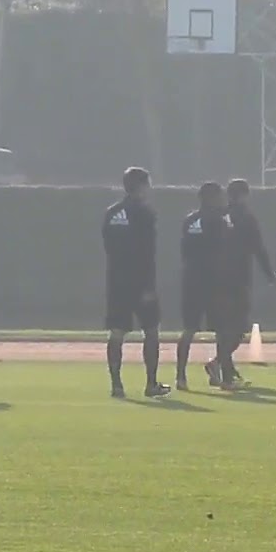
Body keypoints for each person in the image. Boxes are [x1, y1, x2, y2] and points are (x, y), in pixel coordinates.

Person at [101, 167, 168, 399]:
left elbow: (107, 246)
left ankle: (116, 384)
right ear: (141, 186)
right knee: (151, 331)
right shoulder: (145, 213)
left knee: (117, 332)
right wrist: (149, 285)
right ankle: (151, 384)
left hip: (117, 281)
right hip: (140, 280)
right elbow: (148, 251)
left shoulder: (111, 213)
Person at [176, 182, 236, 391]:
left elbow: (184, 250)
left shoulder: (189, 220)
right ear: (211, 198)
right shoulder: (218, 221)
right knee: (222, 330)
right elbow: (223, 252)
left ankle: (181, 377)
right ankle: (225, 377)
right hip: (213, 281)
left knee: (189, 329)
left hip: (191, 279)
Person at [225, 179, 274, 384]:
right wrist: (270, 274)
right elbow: (258, 247)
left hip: (219, 278)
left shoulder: (220, 214)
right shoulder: (246, 217)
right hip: (239, 278)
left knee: (225, 327)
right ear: (245, 195)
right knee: (238, 327)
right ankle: (219, 362)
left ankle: (225, 368)